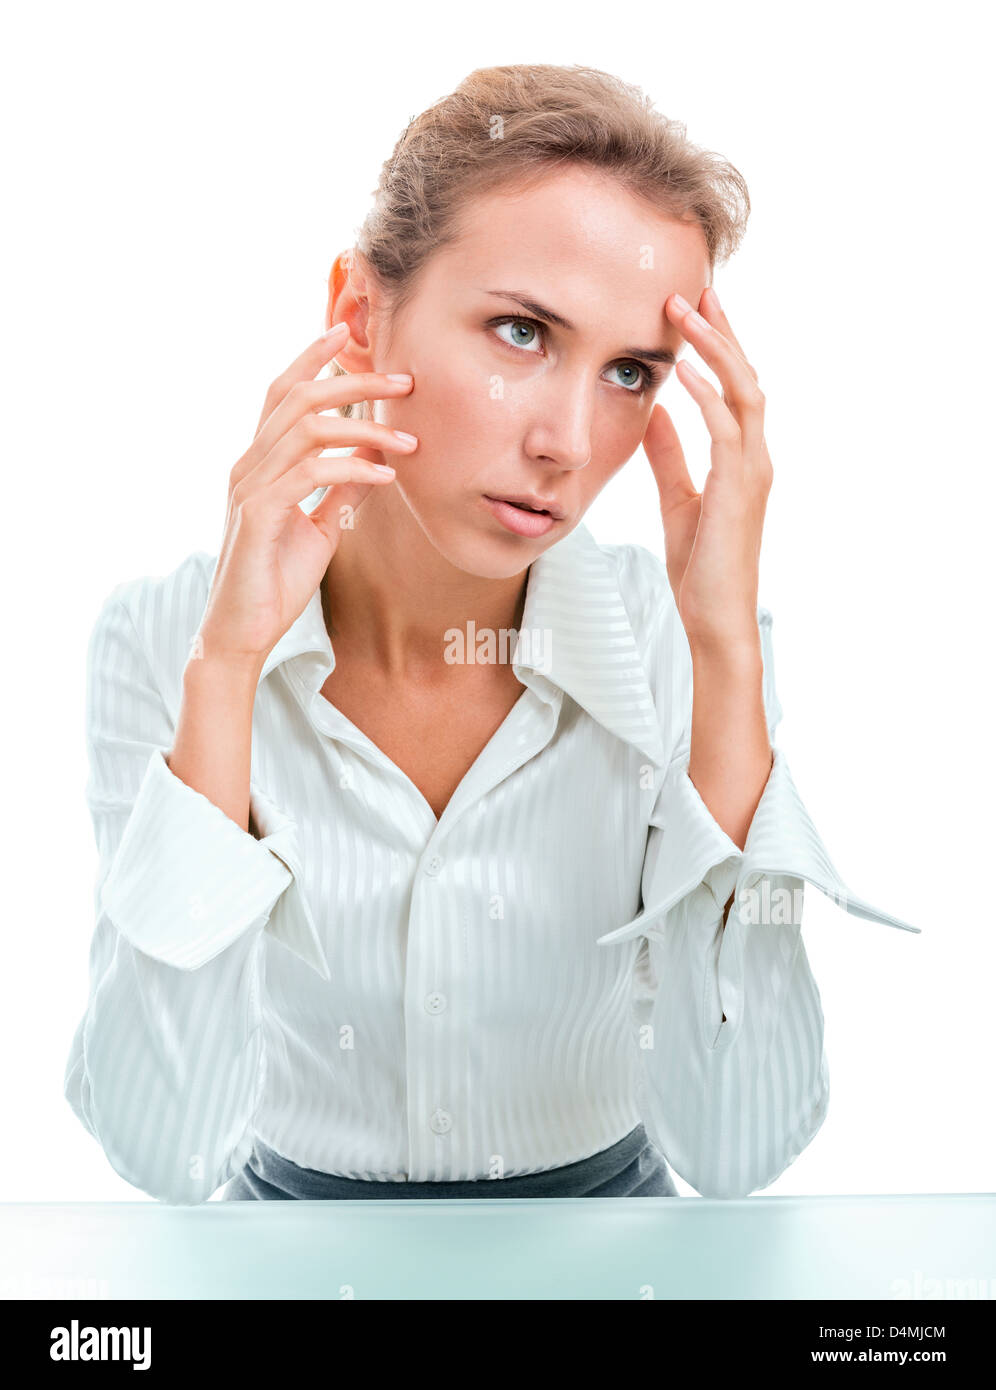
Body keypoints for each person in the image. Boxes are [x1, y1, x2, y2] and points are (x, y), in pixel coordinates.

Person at [63, 63, 918, 1205]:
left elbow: (737, 1149)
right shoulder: (163, 636)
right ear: (361, 313)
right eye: (521, 331)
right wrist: (226, 674)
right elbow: (161, 1152)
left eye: (629, 372)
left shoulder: (681, 647)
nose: (569, 440)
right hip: (296, 1261)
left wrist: (726, 662)